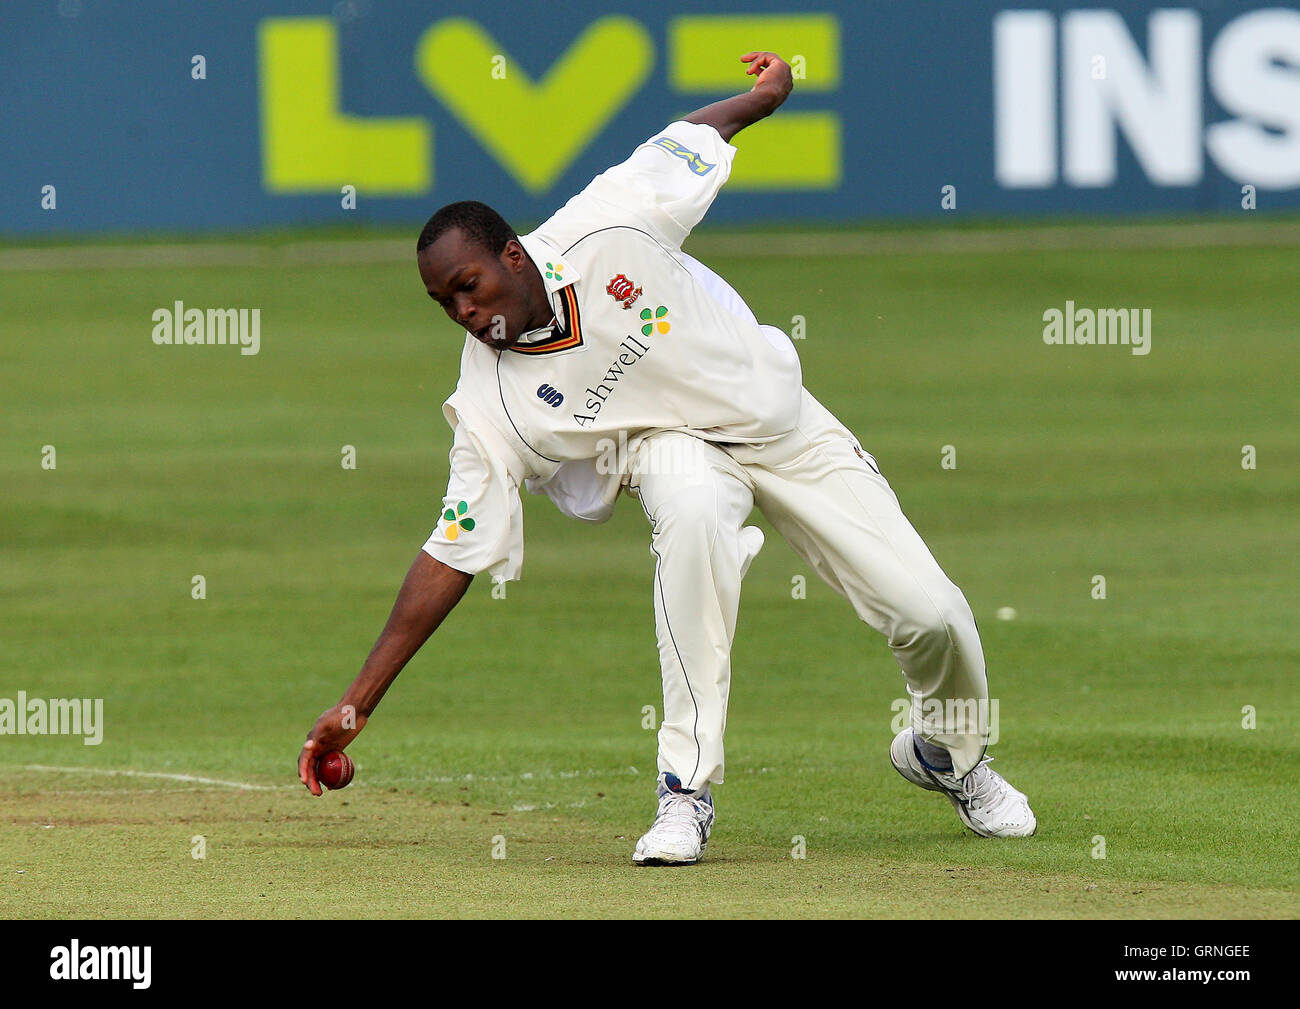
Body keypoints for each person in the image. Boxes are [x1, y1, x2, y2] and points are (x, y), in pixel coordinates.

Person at [297, 51, 1036, 865]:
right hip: (672, 451)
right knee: (686, 513)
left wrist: (767, 94)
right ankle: (685, 790)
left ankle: (946, 751)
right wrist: (356, 703)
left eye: (469, 285)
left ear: (514, 256)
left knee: (933, 613)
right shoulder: (487, 404)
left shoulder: (607, 220)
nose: (465, 312)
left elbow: (691, 135)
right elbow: (451, 552)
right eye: (444, 303)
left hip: (779, 420)